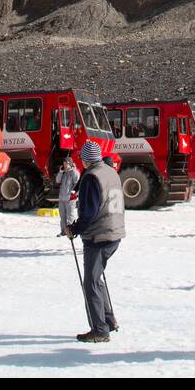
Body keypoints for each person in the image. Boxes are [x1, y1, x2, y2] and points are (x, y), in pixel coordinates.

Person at [65, 140, 125, 343]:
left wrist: (74, 228)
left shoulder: (92, 177)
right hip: (114, 232)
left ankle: (100, 329)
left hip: (99, 235)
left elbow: (89, 212)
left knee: (91, 282)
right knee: (97, 278)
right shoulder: (111, 172)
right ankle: (108, 321)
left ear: (85, 159)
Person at [55, 153, 79, 237]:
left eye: (66, 164)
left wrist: (74, 193)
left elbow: (77, 183)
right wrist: (61, 172)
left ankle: (71, 231)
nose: (65, 165)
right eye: (64, 164)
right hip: (62, 198)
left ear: (70, 164)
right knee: (62, 217)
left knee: (70, 216)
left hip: (70, 199)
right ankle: (63, 231)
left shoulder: (74, 172)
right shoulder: (63, 173)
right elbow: (57, 181)